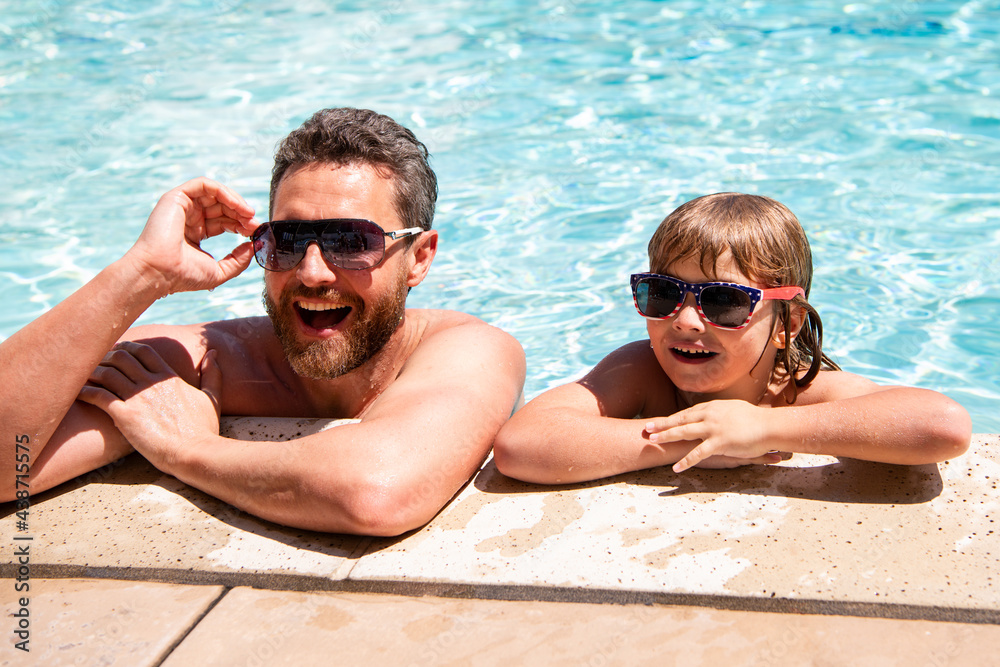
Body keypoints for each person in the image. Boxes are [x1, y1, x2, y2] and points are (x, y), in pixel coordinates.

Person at [1, 107, 525, 535]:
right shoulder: (210, 360)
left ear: (419, 258)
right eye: (288, 242)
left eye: (352, 242)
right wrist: (141, 275)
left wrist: (189, 449)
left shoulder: (473, 349)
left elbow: (377, 491)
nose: (313, 272)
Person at [493, 192, 971, 484]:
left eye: (723, 301)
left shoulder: (799, 393)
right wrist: (697, 442)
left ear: (789, 324)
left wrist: (761, 429)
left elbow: (942, 426)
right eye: (662, 294)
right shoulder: (642, 370)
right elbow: (523, 444)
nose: (685, 320)